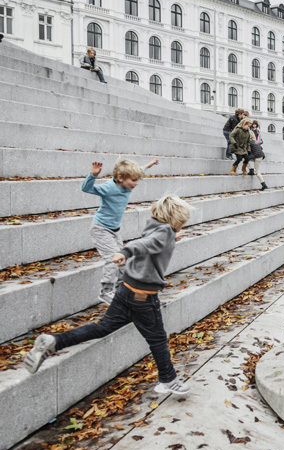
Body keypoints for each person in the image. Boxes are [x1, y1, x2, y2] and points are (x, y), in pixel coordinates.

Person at [23, 195, 193, 395]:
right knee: (157, 339)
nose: (183, 225)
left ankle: (55, 341)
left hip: (126, 290)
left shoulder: (156, 227)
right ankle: (168, 379)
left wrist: (173, 236)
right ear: (175, 219)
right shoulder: (164, 232)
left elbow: (151, 242)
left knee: (102, 327)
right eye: (182, 222)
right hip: (143, 297)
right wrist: (125, 251)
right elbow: (143, 244)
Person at [82, 158, 159, 305]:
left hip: (115, 230)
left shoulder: (127, 181)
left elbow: (140, 170)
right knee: (114, 259)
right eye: (134, 180)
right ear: (120, 178)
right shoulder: (109, 188)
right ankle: (106, 292)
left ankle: (120, 290)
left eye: (137, 180)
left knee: (123, 259)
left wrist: (151, 163)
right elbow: (86, 189)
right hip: (101, 229)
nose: (136, 184)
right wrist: (93, 175)